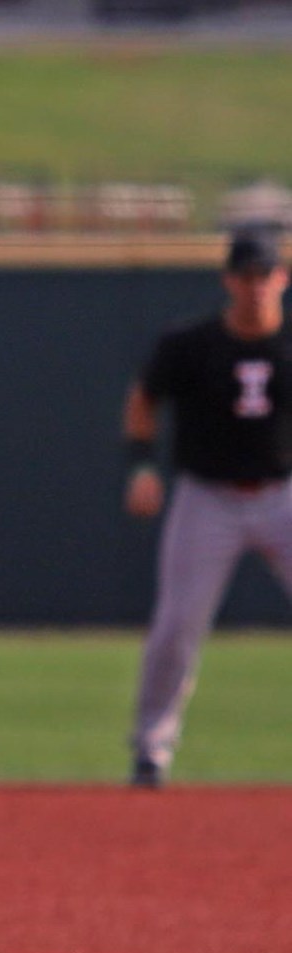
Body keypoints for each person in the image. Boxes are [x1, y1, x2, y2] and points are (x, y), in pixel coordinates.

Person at [121, 225, 292, 789]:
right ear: (227, 281)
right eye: (244, 276)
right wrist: (141, 464)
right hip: (208, 497)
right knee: (175, 629)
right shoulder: (191, 345)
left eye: (264, 275)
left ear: (282, 279)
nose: (255, 286)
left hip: (282, 495)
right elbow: (143, 400)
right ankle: (151, 750)